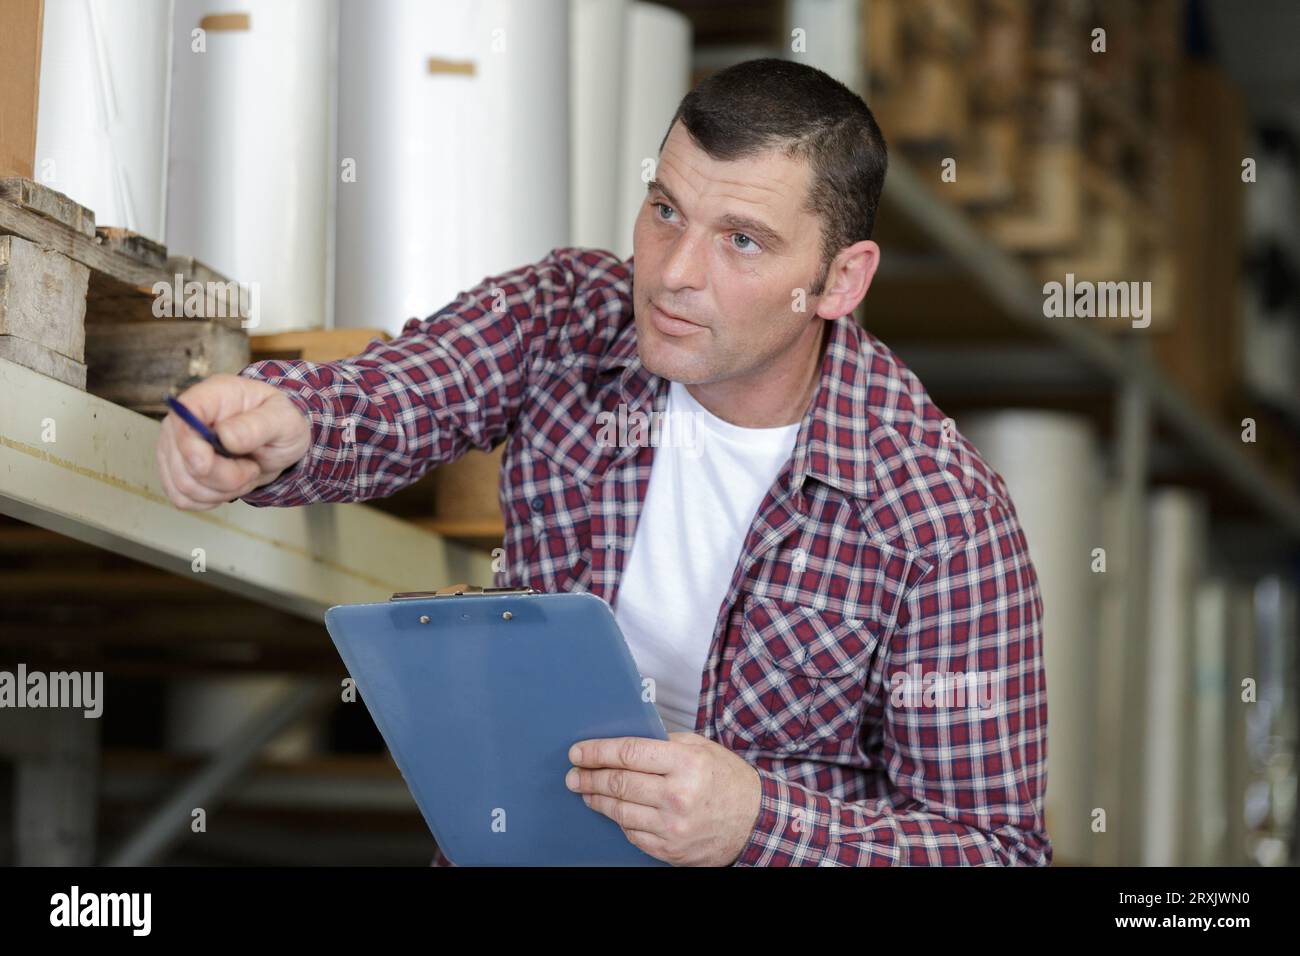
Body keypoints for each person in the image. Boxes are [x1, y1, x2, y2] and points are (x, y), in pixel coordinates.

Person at [156, 58, 1051, 867]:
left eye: (742, 240)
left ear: (840, 281)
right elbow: (406, 391)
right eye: (666, 210)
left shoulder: (940, 516)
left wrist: (759, 823)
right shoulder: (568, 318)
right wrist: (282, 417)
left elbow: (994, 850)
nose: (673, 274)